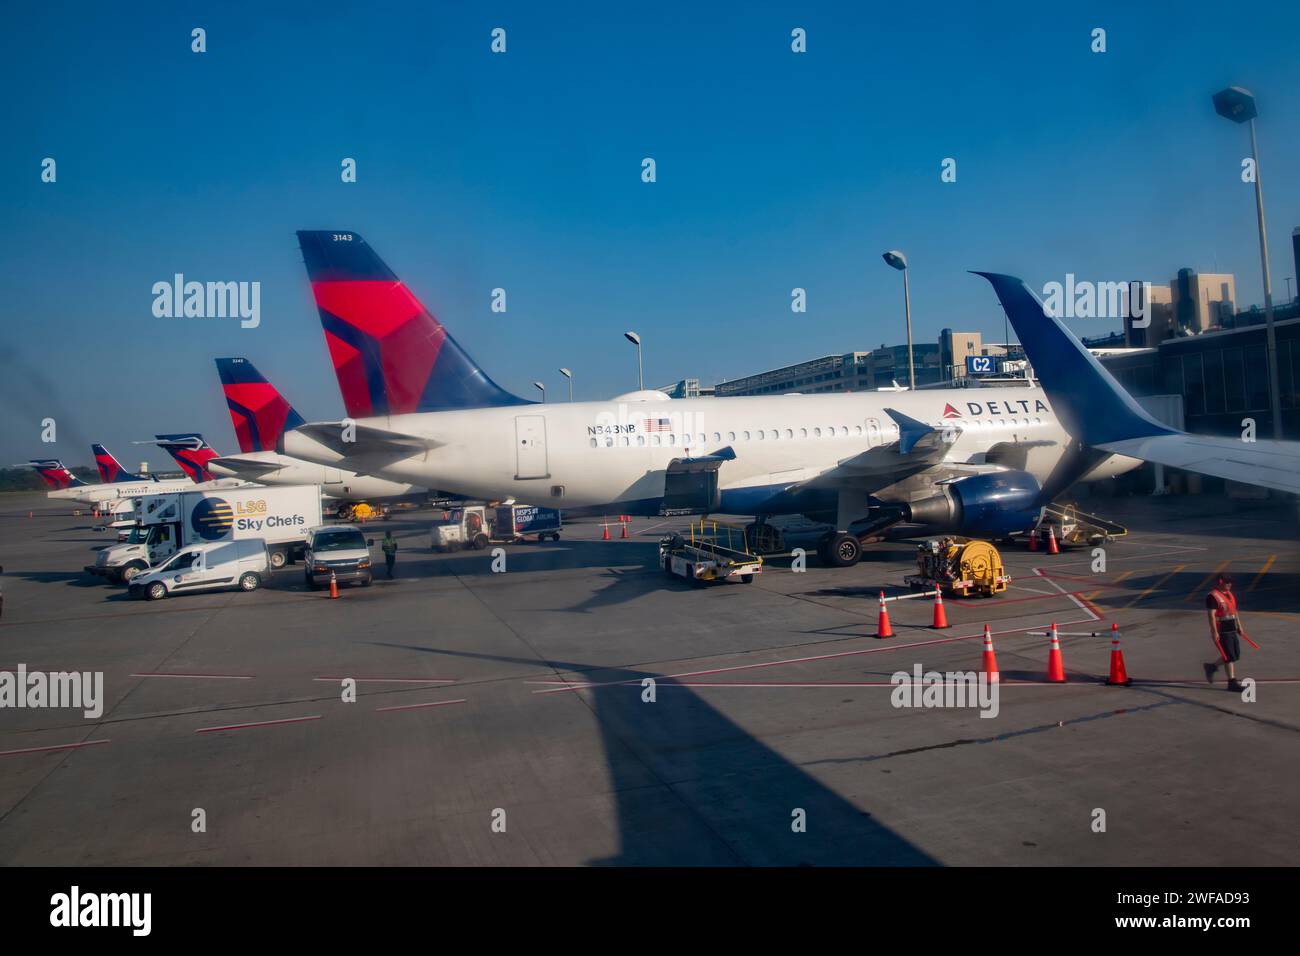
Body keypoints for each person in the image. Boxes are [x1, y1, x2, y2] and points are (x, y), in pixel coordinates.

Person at [1204, 573, 1247, 692]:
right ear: (1220, 582)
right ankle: (1232, 683)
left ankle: (1212, 667)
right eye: (1227, 582)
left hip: (1232, 628)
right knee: (1229, 656)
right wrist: (1214, 632)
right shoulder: (1212, 596)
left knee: (1235, 654)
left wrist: (1239, 626)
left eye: (1230, 582)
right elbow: (1211, 615)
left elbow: (1234, 611)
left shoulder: (1229, 594)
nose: (1230, 584)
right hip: (1222, 629)